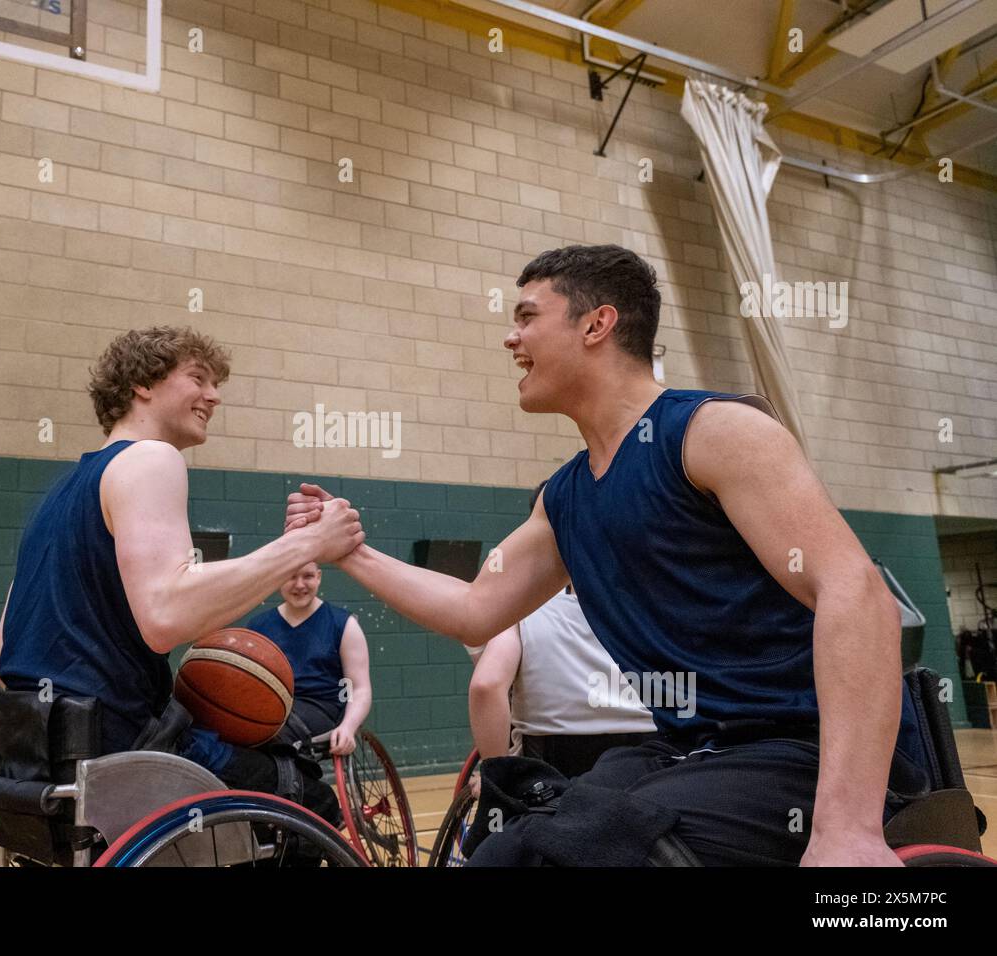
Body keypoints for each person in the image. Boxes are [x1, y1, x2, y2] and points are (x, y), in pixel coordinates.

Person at [286, 244, 928, 866]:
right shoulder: (563, 498)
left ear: (597, 324)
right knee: (504, 845)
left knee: (590, 849)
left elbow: (858, 593)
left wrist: (848, 826)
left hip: (801, 751)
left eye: (527, 316)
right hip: (688, 752)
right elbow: (474, 610)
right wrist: (349, 550)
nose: (511, 339)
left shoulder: (715, 432)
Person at [0, 325, 362, 825]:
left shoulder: (54, 502)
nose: (215, 396)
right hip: (123, 754)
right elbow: (165, 615)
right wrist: (308, 545)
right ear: (143, 383)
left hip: (30, 760)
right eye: (199, 378)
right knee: (310, 799)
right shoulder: (150, 458)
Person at [467, 484, 655, 783]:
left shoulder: (518, 607)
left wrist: (497, 776)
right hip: (649, 765)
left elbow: (486, 685)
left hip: (552, 770)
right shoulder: (661, 600)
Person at [246, 562, 373, 757]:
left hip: (324, 708)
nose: (299, 585)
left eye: (307, 576)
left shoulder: (343, 624)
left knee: (272, 734)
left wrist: (349, 726)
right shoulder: (258, 627)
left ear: (319, 577)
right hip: (274, 707)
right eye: (291, 576)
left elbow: (359, 688)